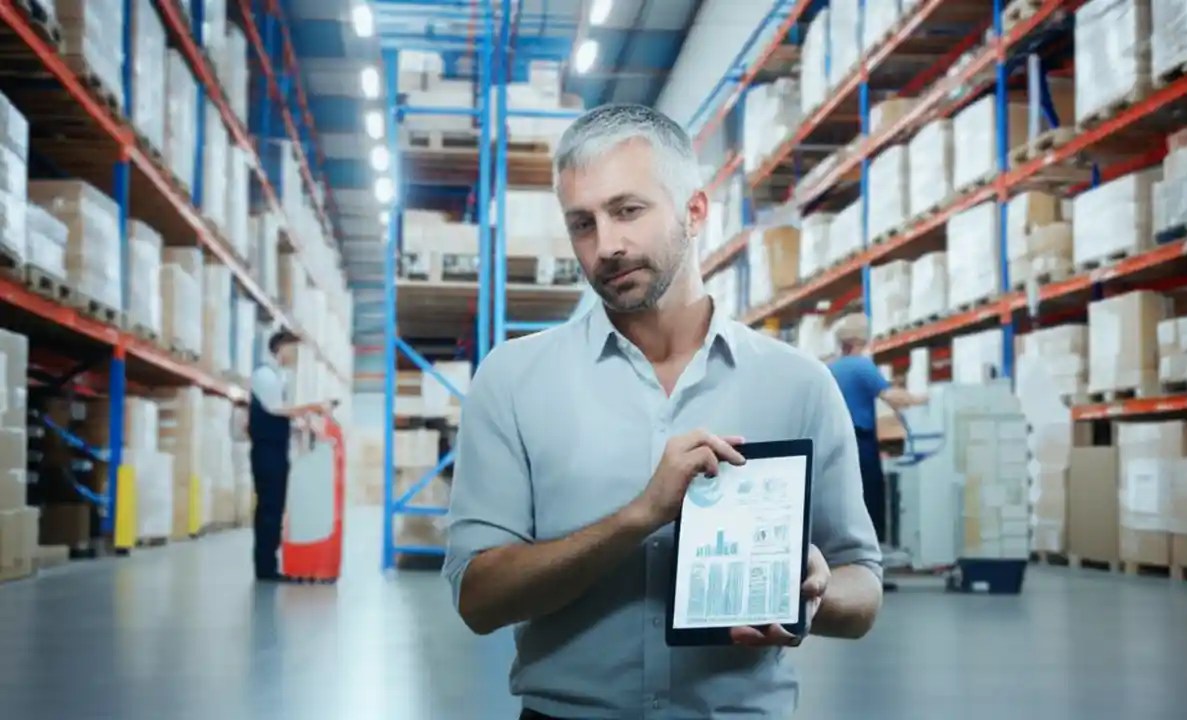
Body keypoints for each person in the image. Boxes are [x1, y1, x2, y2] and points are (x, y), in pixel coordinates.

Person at [443, 103, 884, 719]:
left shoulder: (799, 384)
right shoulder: (513, 380)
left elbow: (862, 588)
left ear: (694, 212)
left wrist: (812, 594)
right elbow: (478, 599)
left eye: (628, 210)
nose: (606, 246)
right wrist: (640, 516)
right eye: (582, 224)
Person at [827, 314, 927, 589]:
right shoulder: (861, 366)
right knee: (870, 503)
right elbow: (891, 396)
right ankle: (870, 572)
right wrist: (925, 399)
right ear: (861, 340)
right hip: (860, 442)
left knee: (845, 505)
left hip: (836, 443)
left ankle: (846, 568)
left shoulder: (831, 368)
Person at [248, 329, 333, 582]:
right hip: (266, 452)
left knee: (275, 507)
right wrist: (312, 407)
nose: (296, 357)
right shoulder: (265, 376)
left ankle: (270, 564)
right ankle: (265, 568)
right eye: (294, 350)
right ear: (282, 348)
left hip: (275, 450)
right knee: (269, 508)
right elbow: (276, 409)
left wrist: (302, 423)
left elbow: (280, 414)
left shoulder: (276, 377)